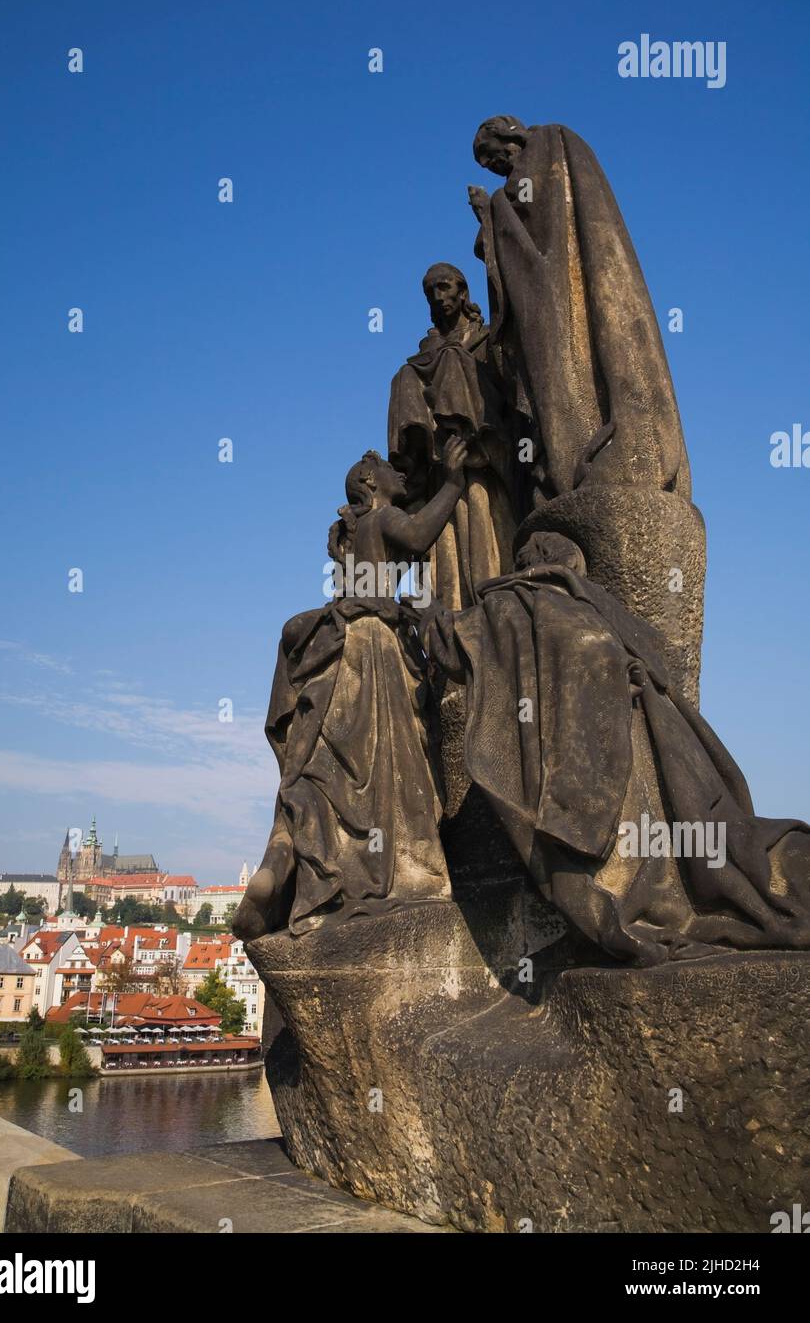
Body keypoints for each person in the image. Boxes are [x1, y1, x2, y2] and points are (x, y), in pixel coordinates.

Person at [421, 530, 810, 965]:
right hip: (631, 753)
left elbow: (451, 651)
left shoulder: (507, 607)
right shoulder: (602, 614)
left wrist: (431, 616)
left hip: (594, 767)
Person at [234, 436, 469, 940]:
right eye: (385, 470)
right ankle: (388, 879)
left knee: (325, 772)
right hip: (373, 645)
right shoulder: (382, 518)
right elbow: (420, 532)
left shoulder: (348, 533)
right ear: (370, 485)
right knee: (388, 768)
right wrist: (453, 482)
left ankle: (284, 861)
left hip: (338, 648)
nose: (394, 473)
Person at [468, 116, 691, 506]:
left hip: (560, 299)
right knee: (556, 378)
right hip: (550, 299)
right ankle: (565, 470)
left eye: (493, 156)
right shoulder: (552, 148)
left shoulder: (548, 144)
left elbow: (533, 210)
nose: (497, 167)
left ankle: (582, 462)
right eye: (489, 166)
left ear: (508, 134)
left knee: (572, 374)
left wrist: (490, 211)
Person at [388, 262, 520, 608]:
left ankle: (461, 435)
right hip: (437, 470)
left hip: (486, 450)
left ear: (463, 292)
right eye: (431, 292)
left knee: (451, 359)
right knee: (404, 373)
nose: (438, 296)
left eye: (444, 287)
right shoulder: (424, 354)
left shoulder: (486, 338)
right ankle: (414, 461)